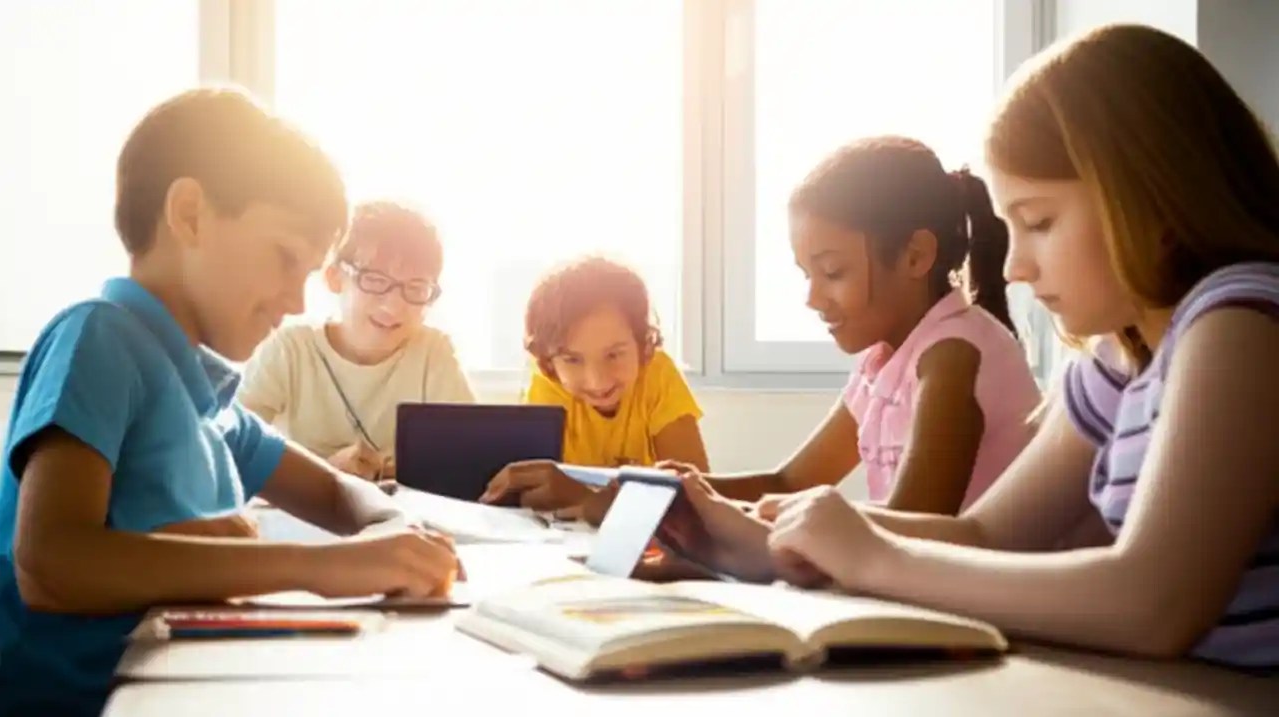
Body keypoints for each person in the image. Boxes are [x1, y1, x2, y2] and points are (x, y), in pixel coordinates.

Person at [659, 24, 1279, 670]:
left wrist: (872, 557)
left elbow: (1155, 603)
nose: (1013, 267)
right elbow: (985, 535)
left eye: (1039, 222)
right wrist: (763, 537)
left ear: (1153, 191)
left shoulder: (1239, 320)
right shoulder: (1119, 358)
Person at [0, 89, 458, 717]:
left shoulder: (209, 403)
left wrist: (390, 528)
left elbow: (333, 494)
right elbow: (50, 563)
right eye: (284, 258)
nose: (298, 301)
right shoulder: (100, 337)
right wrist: (317, 567)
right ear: (189, 213)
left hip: (183, 685)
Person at [709, 137, 1040, 519]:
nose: (812, 298)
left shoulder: (952, 358)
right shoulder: (884, 360)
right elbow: (789, 482)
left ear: (916, 256)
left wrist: (793, 521)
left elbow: (913, 527)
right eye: (807, 275)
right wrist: (689, 488)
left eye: (832, 272)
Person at [239, 200, 475, 482]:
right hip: (308, 510)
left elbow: (468, 454)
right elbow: (231, 446)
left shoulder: (433, 352)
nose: (394, 306)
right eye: (375, 281)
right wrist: (327, 471)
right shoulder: (290, 349)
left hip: (403, 514)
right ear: (335, 278)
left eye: (415, 288)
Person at [480, 257, 707, 524]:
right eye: (572, 359)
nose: (597, 381)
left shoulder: (658, 374)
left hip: (646, 537)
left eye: (614, 354)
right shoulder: (545, 385)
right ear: (548, 361)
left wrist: (590, 498)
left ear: (643, 345)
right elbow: (536, 499)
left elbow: (700, 496)